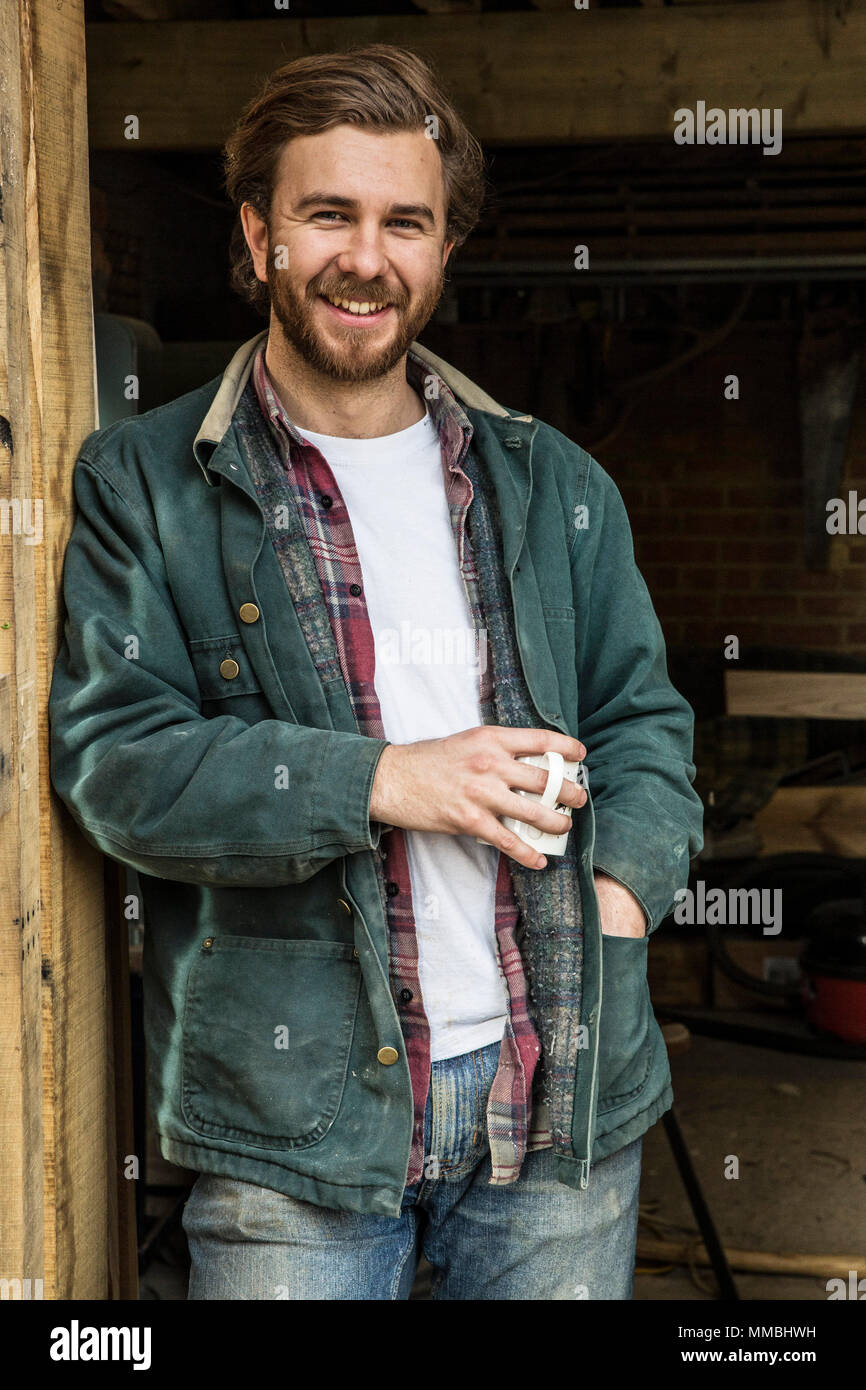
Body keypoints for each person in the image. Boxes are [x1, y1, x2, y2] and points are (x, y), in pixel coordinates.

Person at [49, 44, 703, 1301]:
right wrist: (385, 780)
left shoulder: (551, 481)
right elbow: (118, 764)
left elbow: (645, 727)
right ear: (259, 236)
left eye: (406, 221)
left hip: (556, 1104)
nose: (368, 256)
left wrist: (617, 904)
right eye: (327, 214)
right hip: (294, 1135)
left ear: (443, 245)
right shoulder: (144, 483)